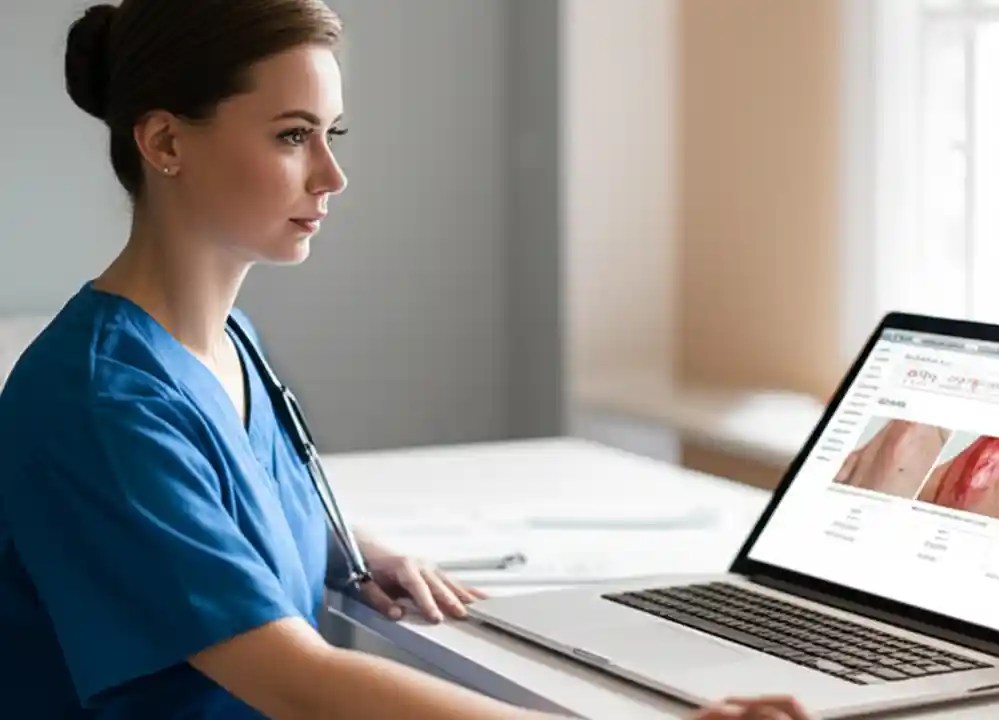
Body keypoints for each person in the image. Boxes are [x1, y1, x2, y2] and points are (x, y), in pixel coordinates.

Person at [0, 2, 810, 718]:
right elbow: (300, 684)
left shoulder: (221, 343)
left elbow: (223, 506)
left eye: (331, 134)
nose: (332, 175)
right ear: (166, 140)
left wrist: (350, 547)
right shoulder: (102, 402)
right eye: (292, 136)